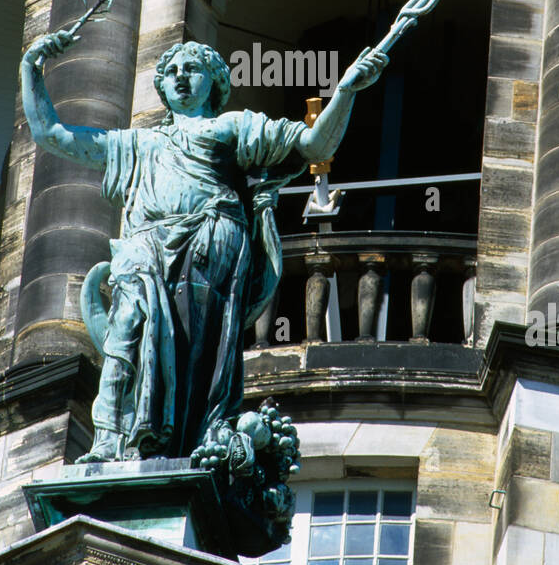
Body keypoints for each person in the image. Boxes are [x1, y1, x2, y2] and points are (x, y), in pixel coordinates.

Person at [20, 32, 387, 462]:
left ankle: (188, 437)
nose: (180, 77)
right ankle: (109, 440)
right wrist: (31, 68)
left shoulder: (230, 128)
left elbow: (314, 145)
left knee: (197, 351)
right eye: (172, 71)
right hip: (145, 248)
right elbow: (52, 135)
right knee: (127, 326)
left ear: (214, 81)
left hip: (210, 245)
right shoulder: (136, 143)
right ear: (161, 85)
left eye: (192, 69)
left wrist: (346, 91)